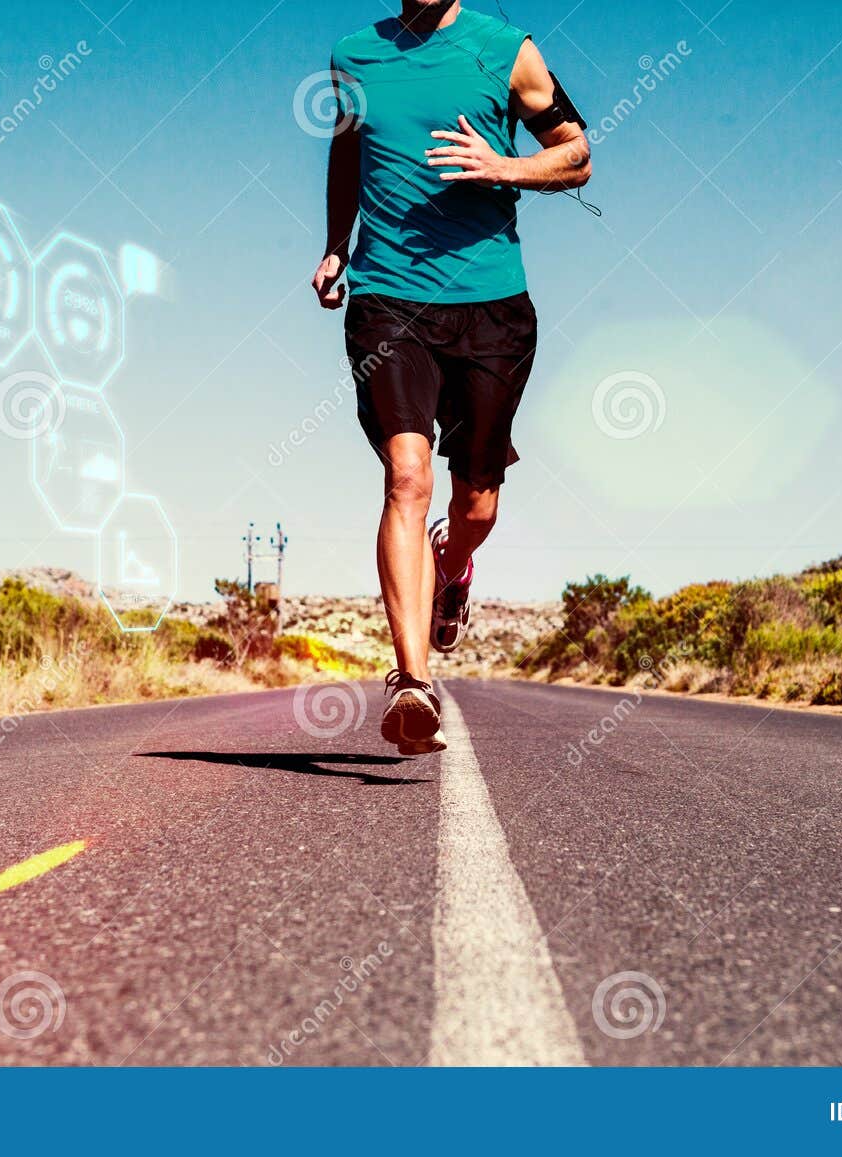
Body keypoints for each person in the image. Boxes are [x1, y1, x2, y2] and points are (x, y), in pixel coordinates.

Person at [312, 0, 591, 754]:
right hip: (387, 296)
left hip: (491, 306)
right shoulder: (354, 54)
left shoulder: (508, 51)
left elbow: (576, 153)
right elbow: (348, 151)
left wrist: (505, 166)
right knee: (407, 475)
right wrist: (338, 244)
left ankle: (453, 567)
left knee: (477, 502)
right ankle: (412, 681)